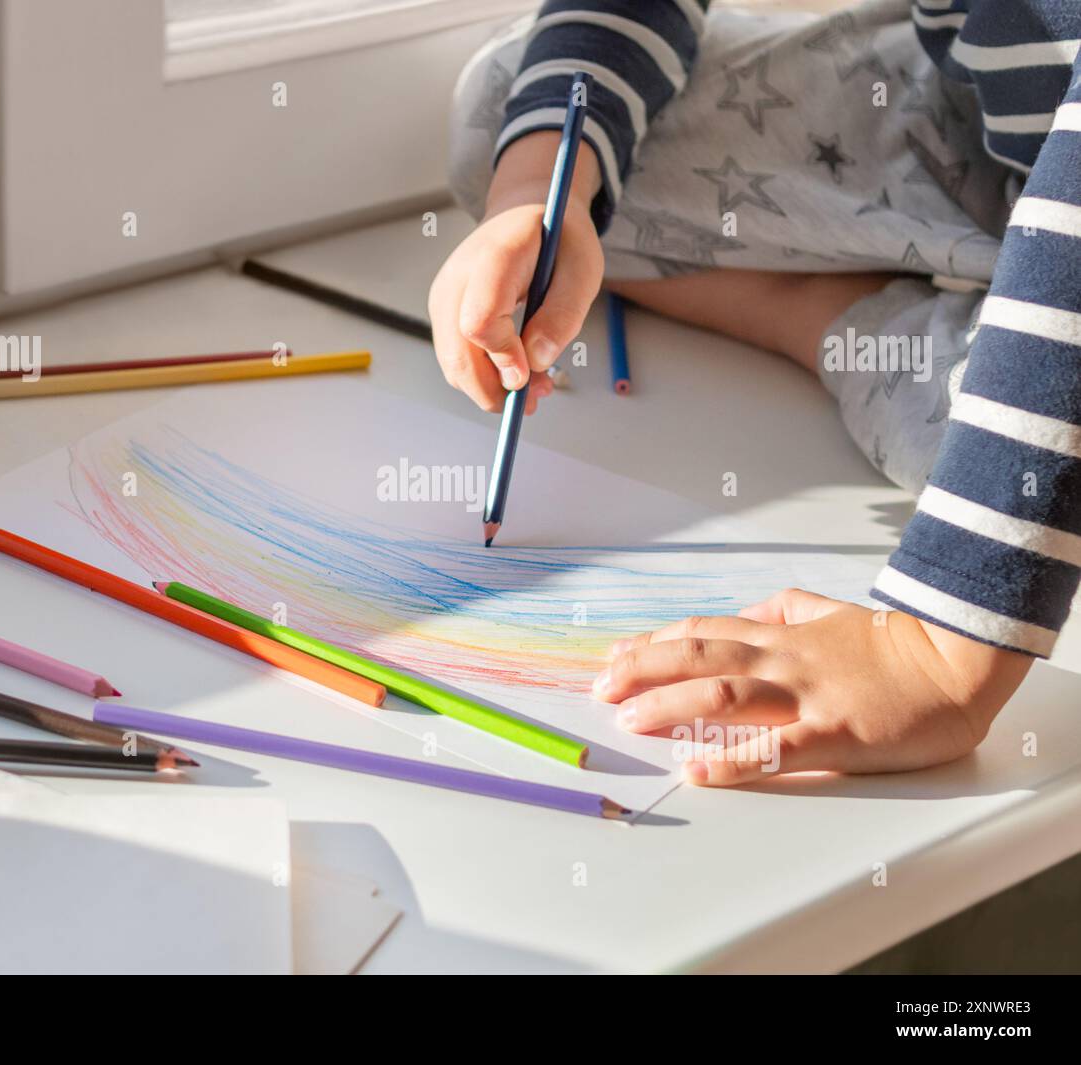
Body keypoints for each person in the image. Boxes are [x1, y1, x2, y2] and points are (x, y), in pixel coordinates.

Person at [429, 0, 1081, 785]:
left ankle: (840, 312)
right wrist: (543, 191)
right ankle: (901, 310)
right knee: (508, 105)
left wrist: (941, 649)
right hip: (987, 121)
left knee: (1036, 482)